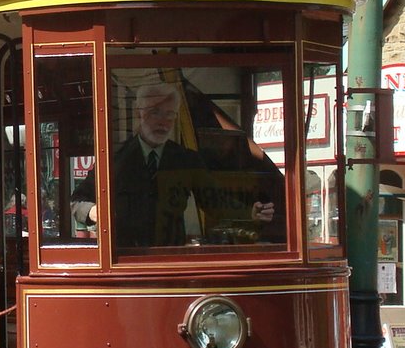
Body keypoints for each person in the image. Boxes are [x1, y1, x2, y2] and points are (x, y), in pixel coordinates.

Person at [71, 80, 281, 249]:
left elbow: (215, 202)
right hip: (124, 262)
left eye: (169, 114)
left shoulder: (186, 160)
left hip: (170, 260)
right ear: (139, 113)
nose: (163, 122)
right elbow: (77, 201)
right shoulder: (115, 158)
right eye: (155, 113)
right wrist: (93, 211)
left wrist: (249, 212)